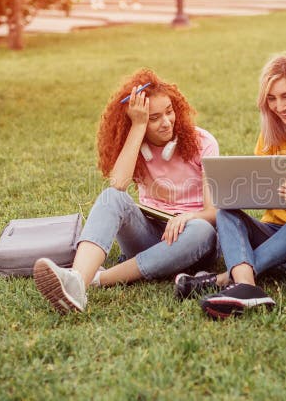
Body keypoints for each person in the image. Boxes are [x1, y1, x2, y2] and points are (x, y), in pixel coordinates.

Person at [33, 69, 220, 314]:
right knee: (112, 197)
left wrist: (188, 217)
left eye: (169, 112)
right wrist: (138, 126)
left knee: (202, 230)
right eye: (154, 118)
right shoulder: (136, 144)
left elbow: (213, 211)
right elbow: (119, 184)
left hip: (193, 240)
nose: (166, 122)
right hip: (152, 236)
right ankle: (76, 280)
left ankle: (99, 279)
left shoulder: (203, 142)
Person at [177, 53, 286, 319]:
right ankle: (247, 288)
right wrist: (244, 191)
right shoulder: (272, 134)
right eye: (272, 98)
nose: (280, 106)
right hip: (276, 232)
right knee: (226, 212)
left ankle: (225, 280)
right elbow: (263, 191)